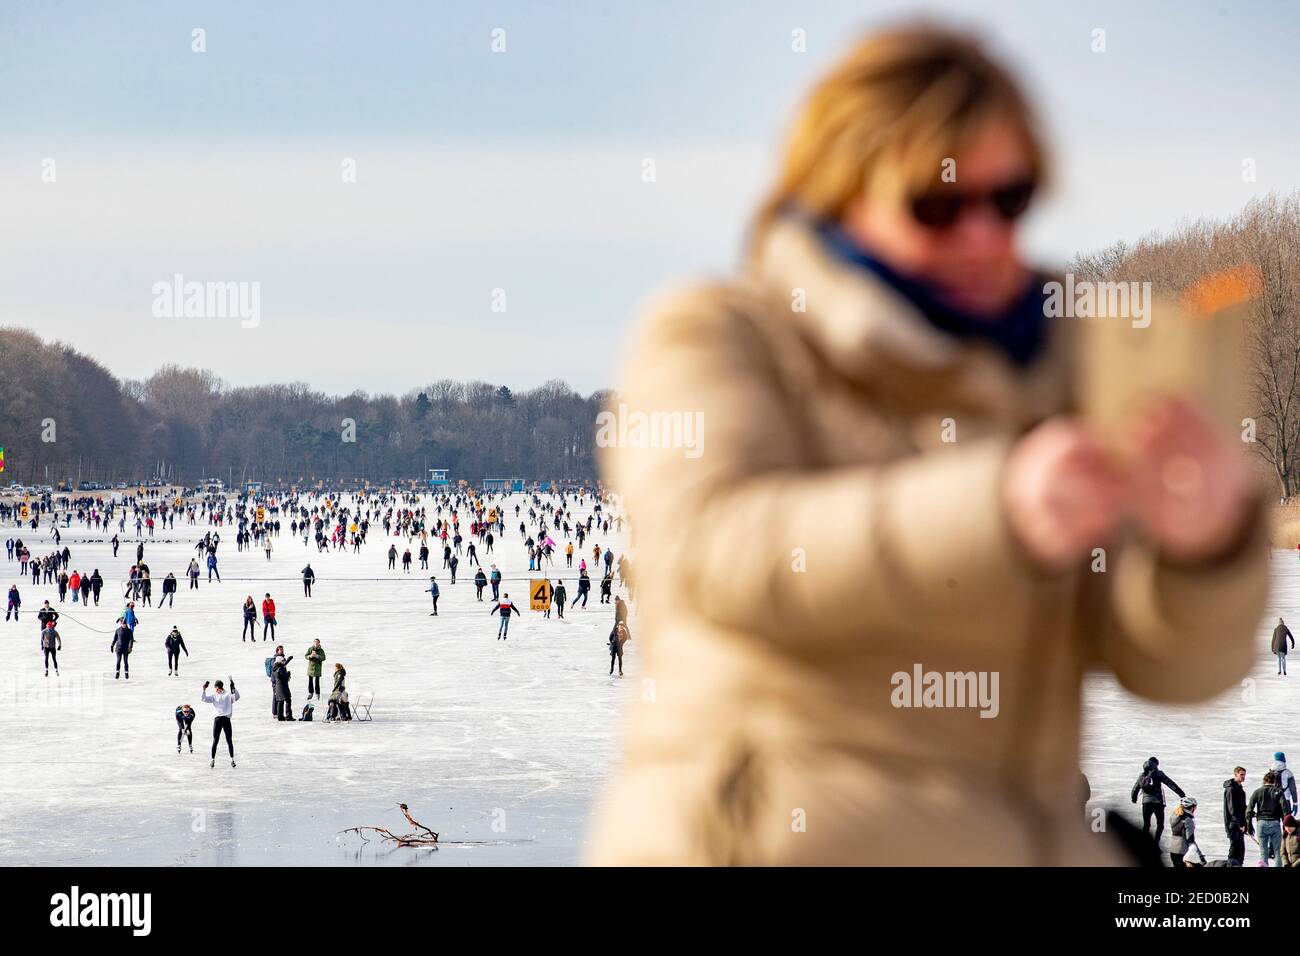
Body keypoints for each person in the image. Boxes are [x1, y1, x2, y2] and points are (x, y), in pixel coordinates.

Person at [586, 23, 1269, 867]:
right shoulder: (722, 334)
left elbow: (1173, 671)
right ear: (843, 188)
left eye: (1009, 200)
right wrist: (994, 510)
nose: (983, 236)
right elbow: (713, 546)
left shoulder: (1058, 362)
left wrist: (1201, 549)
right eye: (937, 205)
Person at [1131, 757, 1185, 843]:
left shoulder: (1142, 775)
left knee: (1146, 825)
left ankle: (1144, 844)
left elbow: (1135, 788)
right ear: (1156, 764)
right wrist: (1181, 794)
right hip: (1158, 803)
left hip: (1146, 803)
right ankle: (1156, 842)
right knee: (1160, 825)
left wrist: (1134, 798)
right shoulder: (1159, 774)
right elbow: (1170, 783)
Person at [1249, 770, 1288, 866]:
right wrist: (1285, 825)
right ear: (1274, 781)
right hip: (1275, 823)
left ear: (1264, 781)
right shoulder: (1278, 792)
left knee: (1263, 853)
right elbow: (1285, 809)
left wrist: (1248, 823)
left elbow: (1249, 809)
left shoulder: (1257, 792)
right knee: (1277, 852)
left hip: (1261, 823)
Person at [201, 678, 239, 768]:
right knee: (215, 740)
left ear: (219, 687)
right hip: (218, 720)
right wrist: (203, 690)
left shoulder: (228, 694)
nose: (216, 690)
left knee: (229, 740)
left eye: (216, 688)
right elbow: (204, 699)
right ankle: (212, 760)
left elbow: (236, 697)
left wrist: (233, 688)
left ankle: (232, 760)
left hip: (226, 719)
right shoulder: (214, 696)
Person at [1223, 766, 1249, 866]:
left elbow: (1241, 806)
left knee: (1240, 850)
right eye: (1241, 775)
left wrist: (1250, 812)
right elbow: (1232, 809)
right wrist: (1240, 823)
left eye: (1244, 775)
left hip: (1238, 823)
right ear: (1235, 775)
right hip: (1233, 824)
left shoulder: (1239, 787)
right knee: (1235, 849)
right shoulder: (1231, 789)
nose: (1243, 777)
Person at [1168, 797, 1198, 868]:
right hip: (1183, 851)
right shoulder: (1188, 819)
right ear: (1192, 807)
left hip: (1173, 849)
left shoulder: (1174, 815)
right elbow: (1190, 839)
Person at [271, 652, 293, 720]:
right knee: (288, 701)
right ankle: (288, 716)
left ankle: (280, 716)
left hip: (279, 687)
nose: (284, 662)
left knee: (281, 702)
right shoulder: (280, 669)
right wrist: (288, 674)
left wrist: (288, 660)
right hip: (282, 687)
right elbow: (283, 676)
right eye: (283, 661)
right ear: (280, 661)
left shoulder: (275, 668)